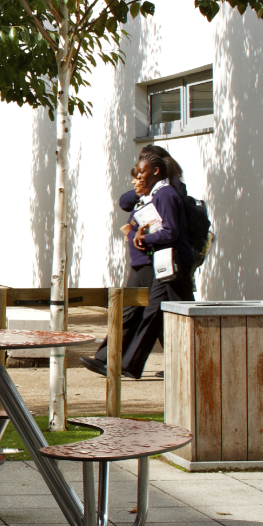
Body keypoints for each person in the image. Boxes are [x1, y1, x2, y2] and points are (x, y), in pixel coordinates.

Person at [82, 144, 195, 381]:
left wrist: (145, 237)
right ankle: (119, 362)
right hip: (156, 262)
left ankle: (128, 363)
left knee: (157, 316)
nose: (137, 176)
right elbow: (126, 202)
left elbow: (170, 231)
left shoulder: (166, 193)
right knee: (153, 315)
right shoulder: (153, 194)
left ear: (156, 169)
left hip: (164, 263)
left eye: (141, 171)